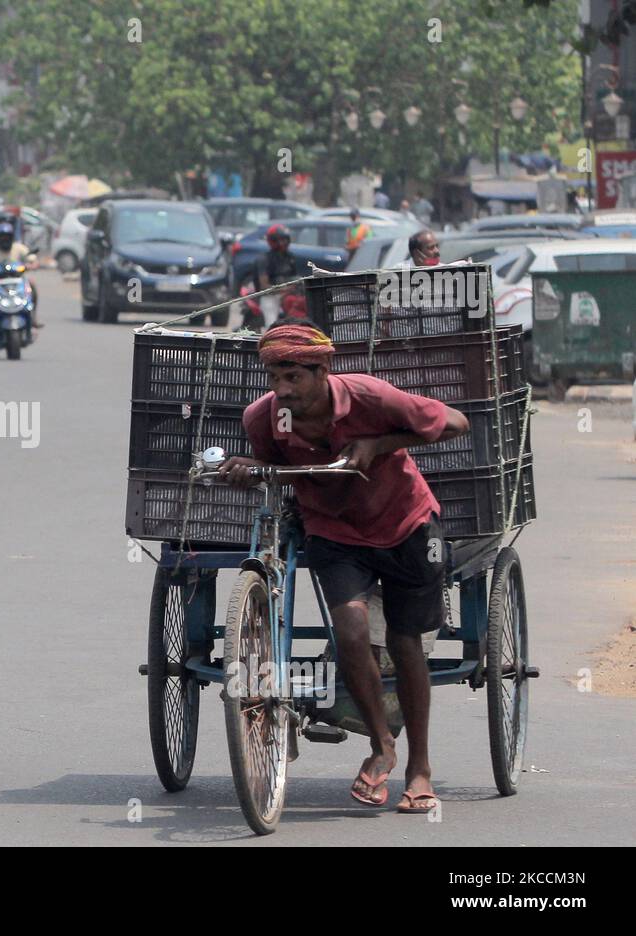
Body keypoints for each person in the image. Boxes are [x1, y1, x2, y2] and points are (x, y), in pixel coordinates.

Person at [219, 323, 470, 815]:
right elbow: (270, 467)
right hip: (335, 533)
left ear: (322, 370)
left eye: (292, 377)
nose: (282, 391)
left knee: (405, 643)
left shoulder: (368, 397)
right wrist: (245, 468)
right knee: (351, 630)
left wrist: (380, 445)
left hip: (406, 524)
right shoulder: (266, 417)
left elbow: (456, 422)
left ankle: (419, 768)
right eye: (274, 378)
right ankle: (382, 746)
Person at [0, 221, 41, 337]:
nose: (4, 240)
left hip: (17, 281)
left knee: (32, 284)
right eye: (1, 237)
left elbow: (33, 260)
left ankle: (33, 316)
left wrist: (31, 265)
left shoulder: (19, 248)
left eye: (7, 237)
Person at [256, 224, 299, 329]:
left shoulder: (290, 257)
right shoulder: (265, 259)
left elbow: (295, 277)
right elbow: (264, 286)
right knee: (271, 325)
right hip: (270, 296)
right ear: (272, 241)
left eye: (285, 239)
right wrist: (285, 289)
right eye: (279, 240)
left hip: (288, 296)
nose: (283, 243)